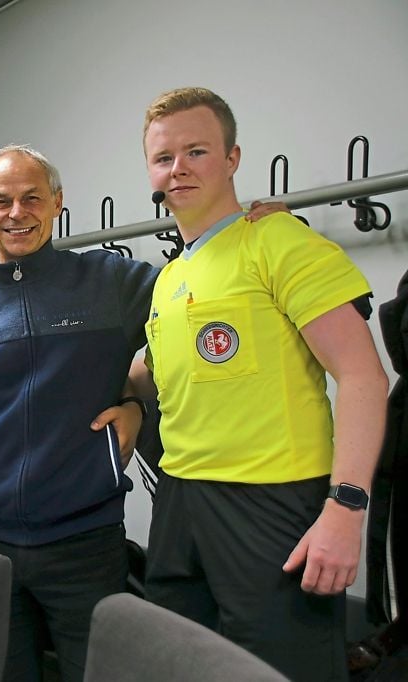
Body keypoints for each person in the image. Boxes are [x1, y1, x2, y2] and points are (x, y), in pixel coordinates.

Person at [135, 86, 388, 681]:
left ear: (232, 158)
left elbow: (362, 376)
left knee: (281, 671)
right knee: (181, 665)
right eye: (164, 158)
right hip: (180, 500)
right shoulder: (170, 276)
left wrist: (346, 508)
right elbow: (153, 373)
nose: (179, 169)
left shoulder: (278, 242)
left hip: (271, 504)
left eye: (196, 151)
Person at [0, 144, 159, 682]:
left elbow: (201, 300)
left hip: (87, 544)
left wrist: (137, 403)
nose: (16, 213)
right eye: (1, 201)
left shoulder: (111, 284)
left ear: (57, 203)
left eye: (32, 198)